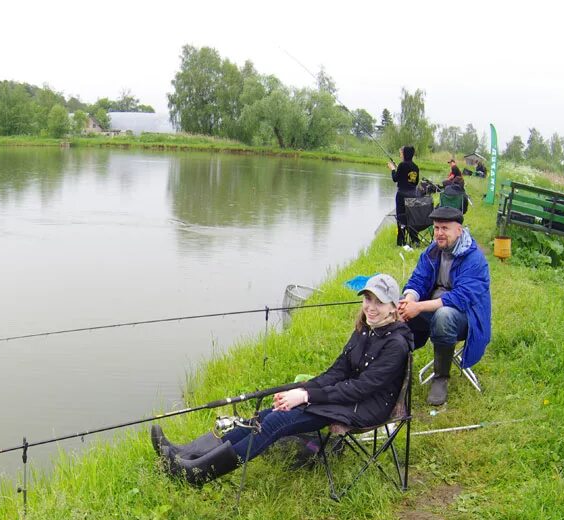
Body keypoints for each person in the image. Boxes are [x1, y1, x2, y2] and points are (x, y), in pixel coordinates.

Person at [151, 275, 413, 487]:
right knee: (269, 412)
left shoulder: (395, 344)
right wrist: (301, 389)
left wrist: (306, 397)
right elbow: (336, 372)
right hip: (346, 398)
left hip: (366, 408)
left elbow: (362, 388)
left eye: (378, 301)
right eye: (367, 299)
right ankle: (187, 453)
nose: (370, 306)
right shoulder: (365, 329)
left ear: (393, 306)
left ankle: (198, 474)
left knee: (276, 422)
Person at [398, 206, 491, 406]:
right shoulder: (432, 252)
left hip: (466, 318)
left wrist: (420, 307)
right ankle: (395, 369)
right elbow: (418, 280)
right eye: (436, 228)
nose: (439, 233)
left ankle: (440, 378)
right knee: (399, 306)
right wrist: (409, 300)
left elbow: (460, 298)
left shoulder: (474, 259)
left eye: (445, 229)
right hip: (433, 308)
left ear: (459, 230)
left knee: (444, 316)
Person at [388, 146, 421, 246]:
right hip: (413, 196)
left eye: (401, 153)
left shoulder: (402, 165)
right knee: (411, 218)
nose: (400, 155)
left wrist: (393, 169)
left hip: (402, 195)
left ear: (405, 154)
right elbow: (415, 182)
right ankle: (415, 239)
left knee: (400, 218)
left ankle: (401, 242)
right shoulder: (415, 167)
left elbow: (395, 179)